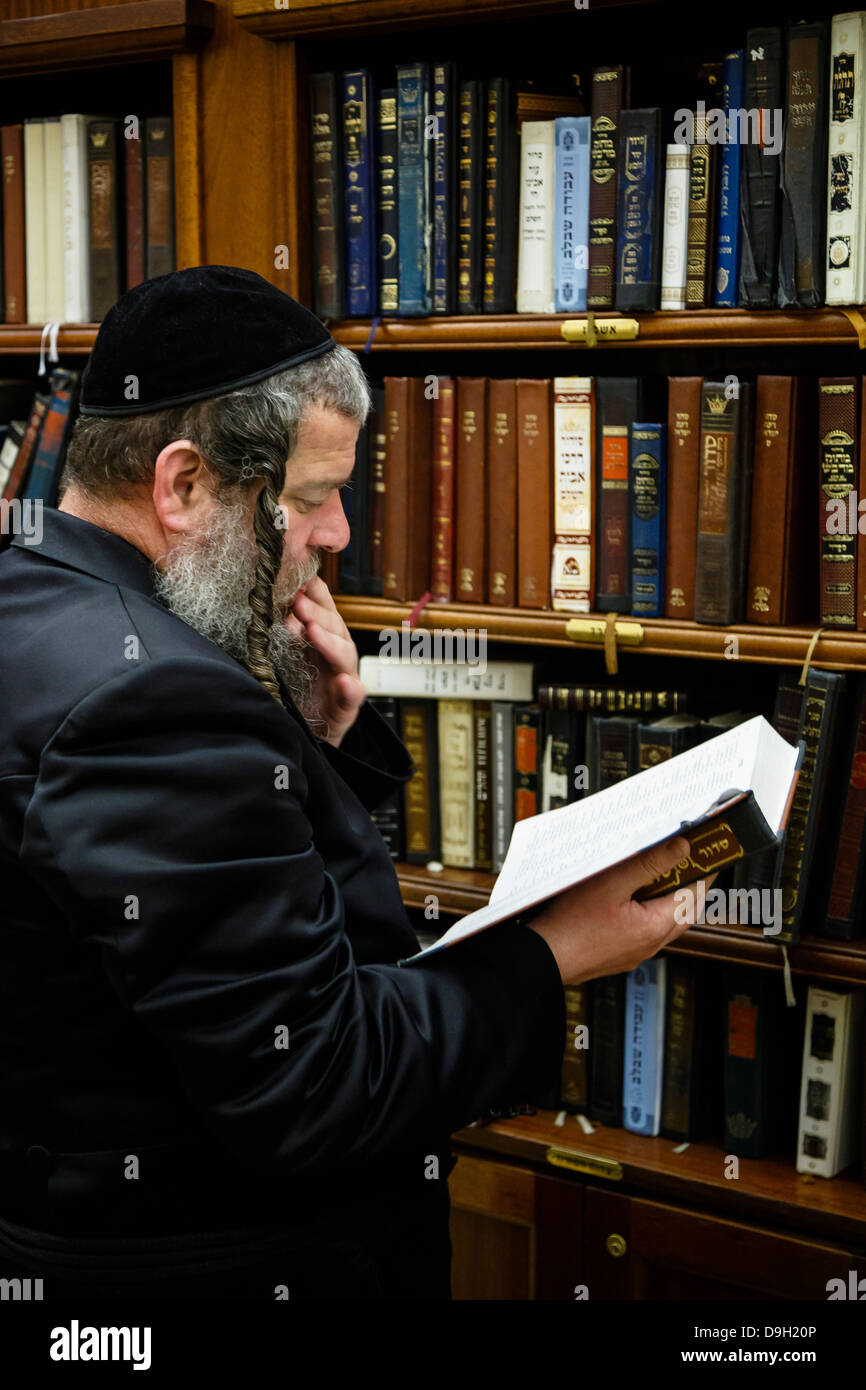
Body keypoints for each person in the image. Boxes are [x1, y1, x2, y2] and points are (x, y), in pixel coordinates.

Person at [0, 266, 692, 1301]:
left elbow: (156, 933)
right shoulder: (153, 701)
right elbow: (309, 1082)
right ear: (183, 485)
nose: (337, 536)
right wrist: (556, 952)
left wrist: (305, 742)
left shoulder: (35, 596)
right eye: (313, 496)